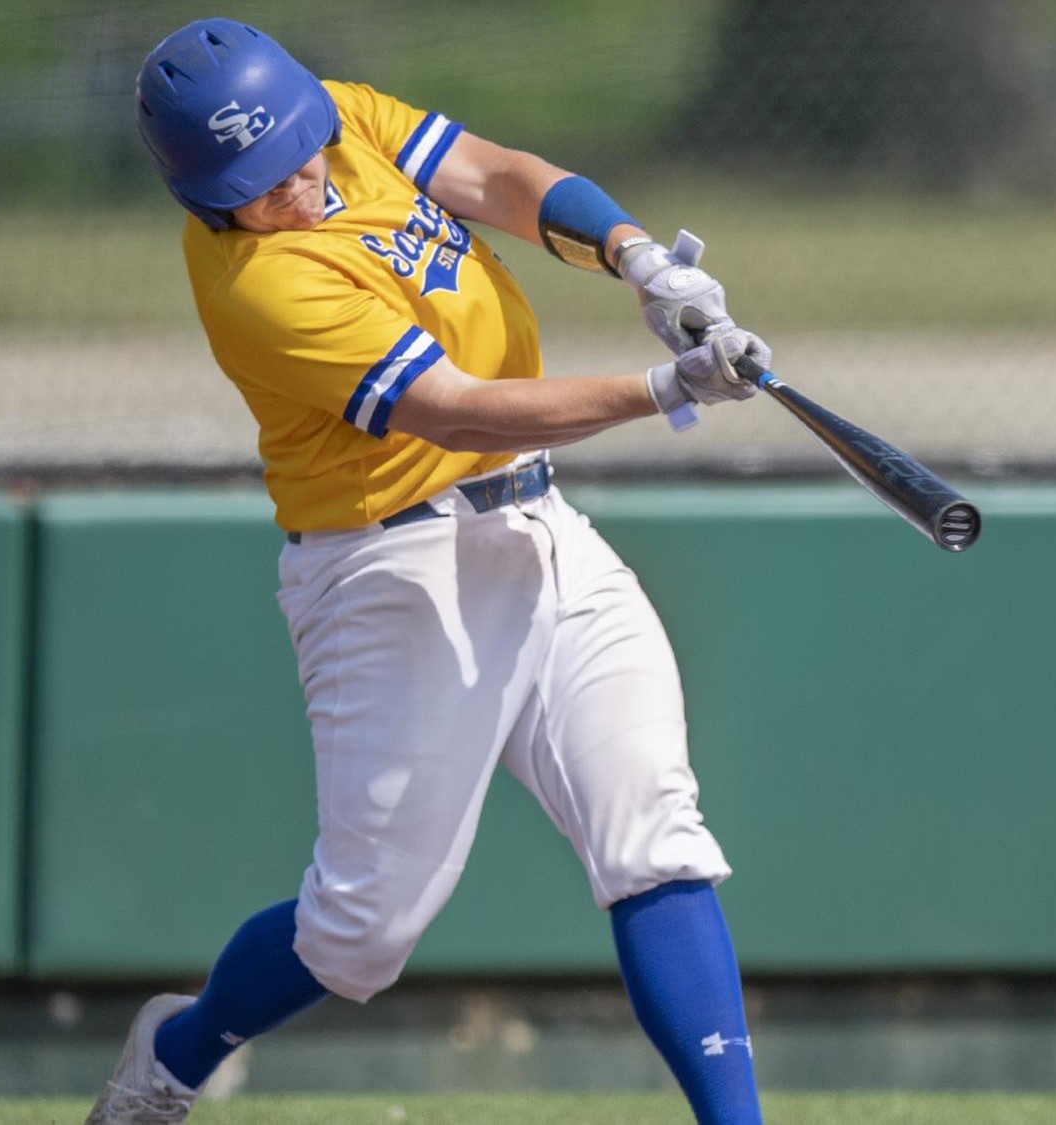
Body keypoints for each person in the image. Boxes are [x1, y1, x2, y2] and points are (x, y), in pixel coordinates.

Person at [88, 18, 768, 1125]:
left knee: (654, 837)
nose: (299, 188)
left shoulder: (336, 119)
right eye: (261, 185)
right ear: (206, 198)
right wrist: (661, 387)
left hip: (542, 532)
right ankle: (171, 1054)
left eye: (301, 156)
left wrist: (636, 257)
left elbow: (497, 177)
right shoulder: (260, 286)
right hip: (388, 569)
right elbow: (454, 409)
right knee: (361, 931)